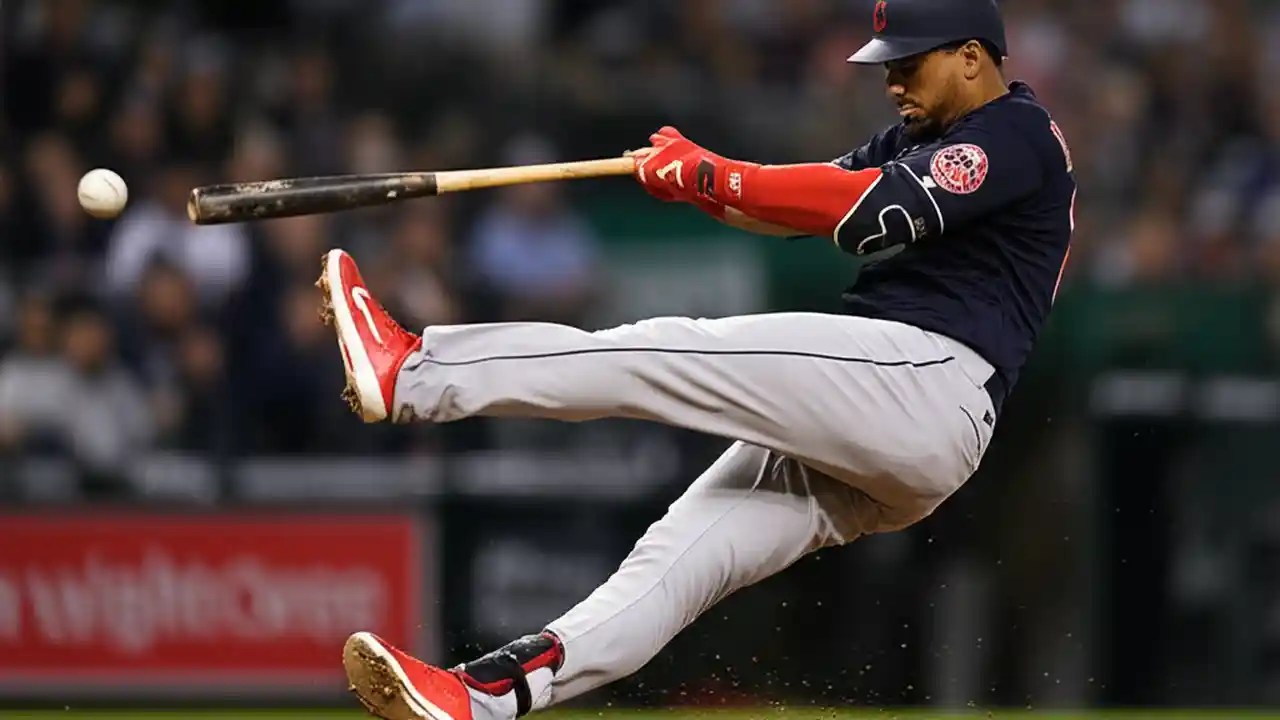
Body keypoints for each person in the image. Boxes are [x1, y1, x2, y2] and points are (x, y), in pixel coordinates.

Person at [320, 1, 1076, 718]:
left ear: (972, 57)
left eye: (910, 62)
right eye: (888, 64)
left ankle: (412, 373)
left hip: (924, 379)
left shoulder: (1017, 132)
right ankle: (482, 697)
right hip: (893, 425)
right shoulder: (923, 137)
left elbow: (862, 210)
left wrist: (709, 172)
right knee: (677, 559)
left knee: (664, 350)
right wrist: (693, 185)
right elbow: (800, 204)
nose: (892, 81)